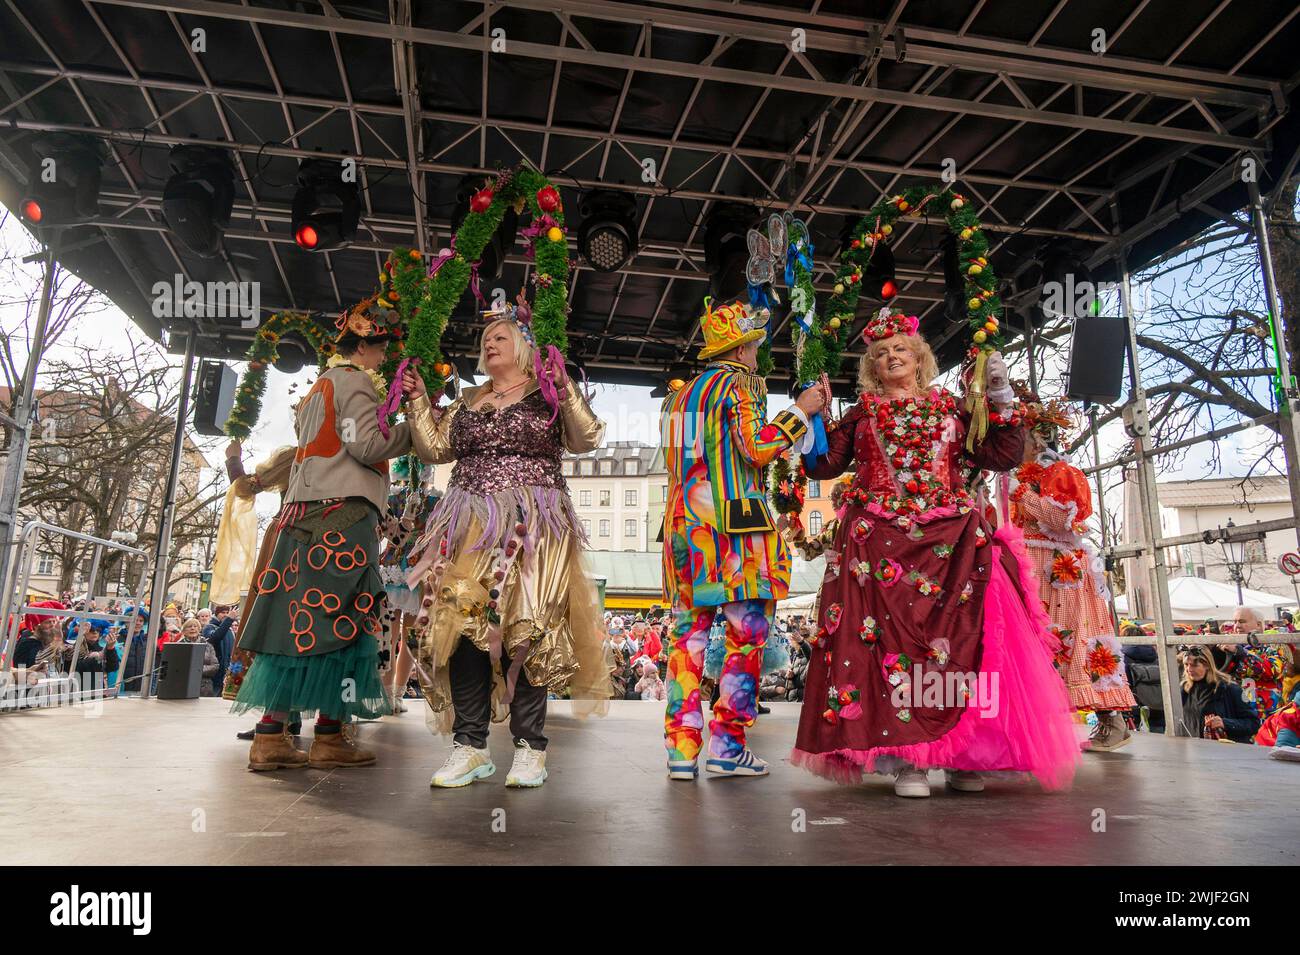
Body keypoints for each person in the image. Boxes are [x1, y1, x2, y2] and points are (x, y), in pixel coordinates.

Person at [791, 309, 1079, 797]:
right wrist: (809, 413)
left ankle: (969, 753)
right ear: (871, 368)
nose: (891, 358)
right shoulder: (861, 414)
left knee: (967, 645)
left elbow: (1001, 455)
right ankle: (910, 762)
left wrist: (1000, 396)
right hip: (880, 546)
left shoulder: (951, 408)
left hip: (954, 543)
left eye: (900, 349)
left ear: (920, 358)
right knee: (896, 650)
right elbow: (822, 464)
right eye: (880, 354)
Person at [231, 293, 441, 771]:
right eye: (383, 345)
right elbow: (366, 445)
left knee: (294, 625)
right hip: (342, 520)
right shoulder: (355, 384)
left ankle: (271, 736)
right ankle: (328, 737)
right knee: (342, 622)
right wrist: (412, 428)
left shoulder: (319, 387)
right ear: (365, 346)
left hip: (300, 519)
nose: (386, 355)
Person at [407, 300, 611, 790]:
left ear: (522, 348)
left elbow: (587, 439)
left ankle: (529, 747)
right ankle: (471, 744)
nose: (489, 343)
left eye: (499, 337)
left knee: (528, 629)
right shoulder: (468, 401)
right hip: (468, 522)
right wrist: (416, 401)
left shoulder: (547, 393)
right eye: (485, 340)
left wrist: (565, 389)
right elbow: (435, 449)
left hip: (534, 524)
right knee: (463, 629)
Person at [660, 297, 825, 780]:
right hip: (734, 533)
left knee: (685, 641)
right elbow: (756, 448)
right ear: (746, 346)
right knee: (744, 636)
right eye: (756, 342)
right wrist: (799, 411)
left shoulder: (678, 396)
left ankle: (681, 750)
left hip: (683, 531)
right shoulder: (739, 383)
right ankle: (727, 746)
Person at [1010, 392, 1136, 751]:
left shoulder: (1061, 472)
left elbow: (1064, 520)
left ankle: (1113, 720)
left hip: (1058, 570)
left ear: (1037, 437)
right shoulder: (1020, 477)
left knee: (1075, 639)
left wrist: (1024, 496)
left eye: (1020, 436)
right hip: (1031, 565)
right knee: (1041, 640)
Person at [214, 438, 299, 737]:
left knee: (273, 625)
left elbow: (246, 486)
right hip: (327, 548)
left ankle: (275, 719)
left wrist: (233, 458)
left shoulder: (298, 455)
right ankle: (302, 718)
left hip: (287, 544)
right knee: (301, 626)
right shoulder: (349, 453)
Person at [1219, 606, 1292, 720]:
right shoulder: (1230, 646)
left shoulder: (1274, 644)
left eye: (1242, 621)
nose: (1237, 626)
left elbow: (1272, 670)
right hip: (1236, 716)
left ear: (1258, 624)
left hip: (1265, 716)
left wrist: (1241, 653)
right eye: (1235, 622)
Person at [1178, 645, 1259, 742]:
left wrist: (1225, 723)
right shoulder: (1184, 689)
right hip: (1193, 750)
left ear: (1207, 665)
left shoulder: (1230, 689)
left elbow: (1253, 723)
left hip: (1224, 752)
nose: (1189, 669)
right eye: (1186, 664)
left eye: (1194, 665)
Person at [178, 617, 220, 697]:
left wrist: (197, 670)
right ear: (184, 631)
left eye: (195, 626)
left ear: (199, 629)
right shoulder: (178, 645)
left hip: (204, 687)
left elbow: (215, 666)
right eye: (189, 627)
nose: (192, 628)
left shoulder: (208, 645)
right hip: (183, 684)